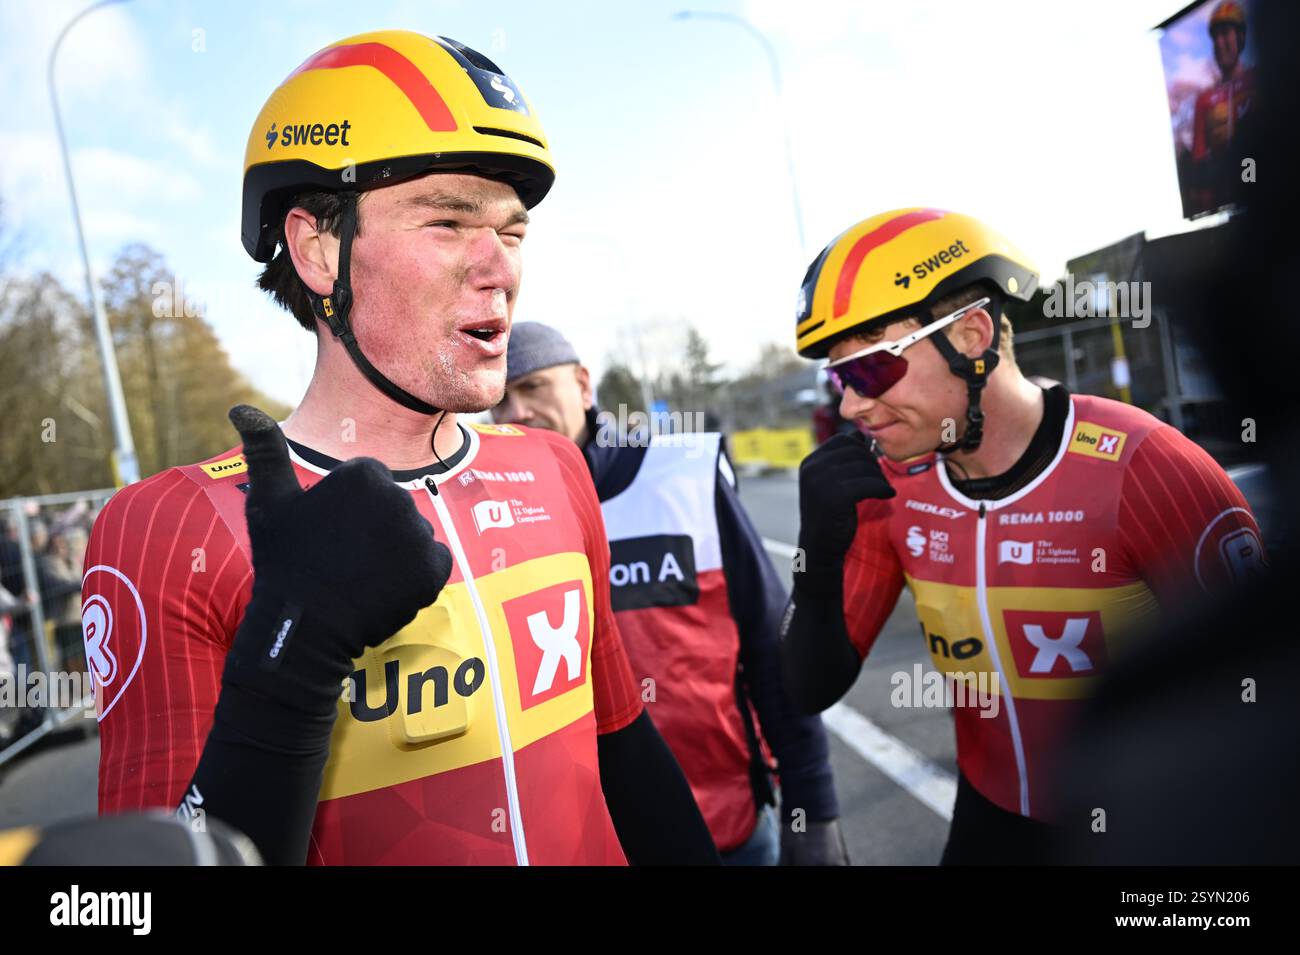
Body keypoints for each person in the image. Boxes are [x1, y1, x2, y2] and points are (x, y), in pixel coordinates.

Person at [82, 30, 717, 866]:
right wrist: (289, 657)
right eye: (450, 221)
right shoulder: (171, 528)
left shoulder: (553, 465)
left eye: (513, 232)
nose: (500, 268)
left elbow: (625, 748)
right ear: (317, 249)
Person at [781, 208, 1266, 864]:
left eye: (867, 369)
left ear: (973, 336)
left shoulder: (1147, 465)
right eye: (839, 377)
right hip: (987, 830)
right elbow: (809, 690)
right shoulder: (888, 488)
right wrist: (816, 560)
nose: (849, 404)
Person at [493, 322, 847, 865]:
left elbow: (769, 644)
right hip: (593, 845)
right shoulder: (492, 521)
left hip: (727, 826)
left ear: (584, 387)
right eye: (501, 400)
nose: (517, 413)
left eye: (535, 387)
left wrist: (814, 805)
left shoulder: (683, 474)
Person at [1190, 0, 1255, 212]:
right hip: (1222, 202)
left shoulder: (1259, 80)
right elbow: (1199, 161)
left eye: (1225, 33)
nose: (1219, 42)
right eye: (1215, 36)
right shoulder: (1204, 100)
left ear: (1241, 36)